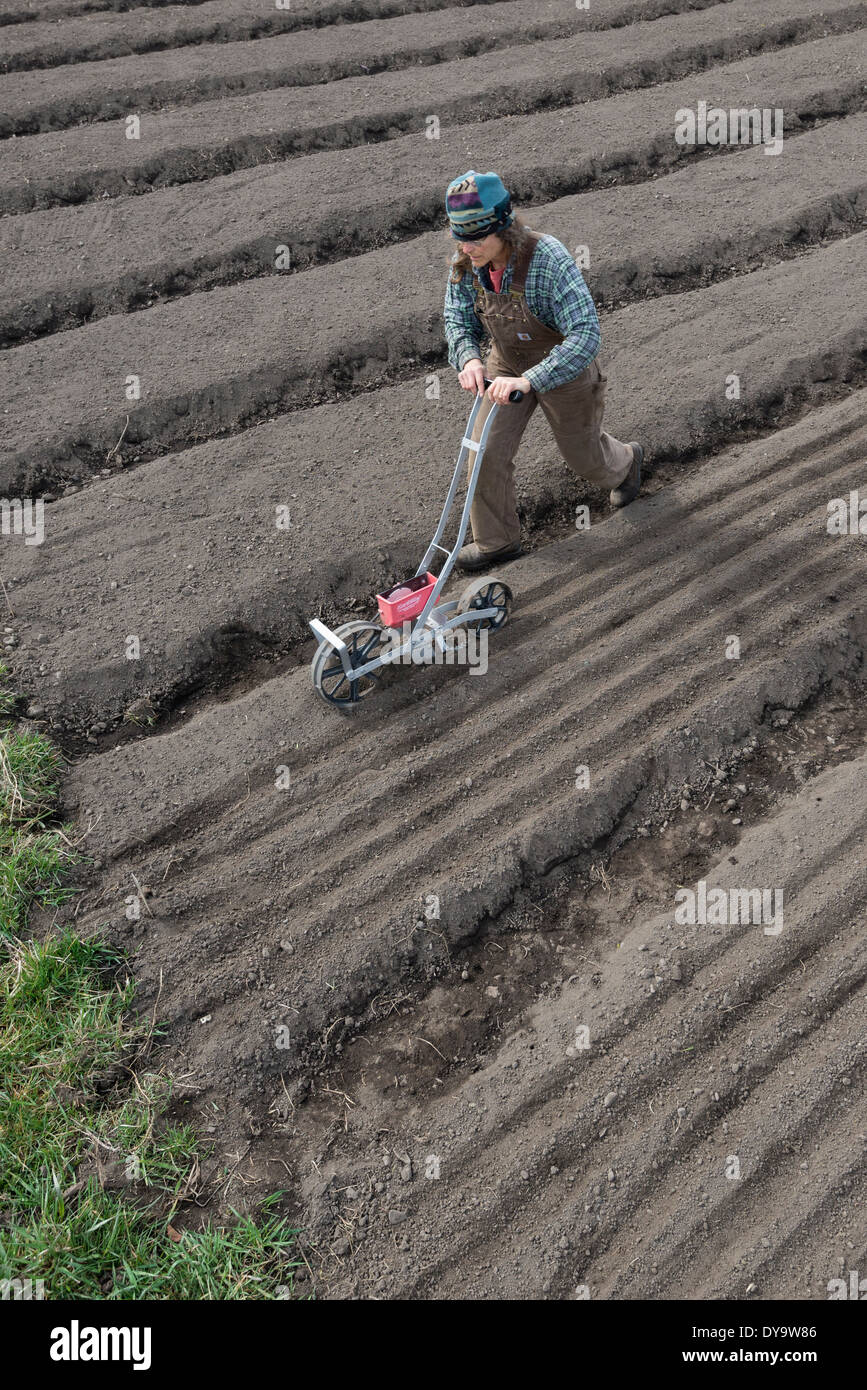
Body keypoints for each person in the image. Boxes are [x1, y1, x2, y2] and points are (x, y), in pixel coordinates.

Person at [443, 170, 643, 572]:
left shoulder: (548, 258)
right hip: (506, 362)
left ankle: (626, 464)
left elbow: (585, 334)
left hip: (563, 366)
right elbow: (456, 317)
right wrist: (469, 359)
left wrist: (532, 379)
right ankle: (497, 542)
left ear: (503, 227)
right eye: (460, 238)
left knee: (583, 458)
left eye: (477, 238)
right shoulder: (467, 263)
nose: (468, 248)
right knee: (483, 454)